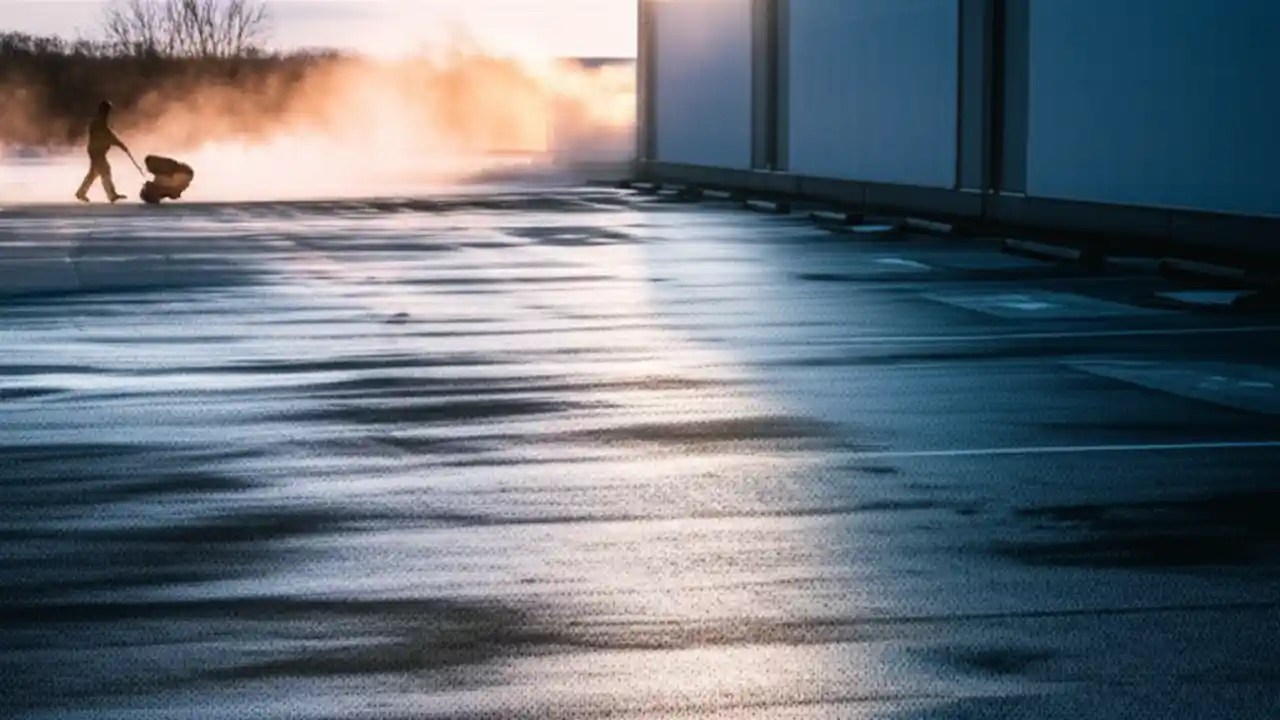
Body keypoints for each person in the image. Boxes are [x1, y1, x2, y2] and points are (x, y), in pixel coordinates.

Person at [75, 101, 132, 203]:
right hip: (96, 151)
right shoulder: (99, 122)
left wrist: (120, 145)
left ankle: (81, 193)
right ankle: (111, 195)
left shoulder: (99, 121)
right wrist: (120, 145)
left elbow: (108, 135)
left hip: (95, 151)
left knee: (94, 173)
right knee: (105, 170)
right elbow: (107, 136)